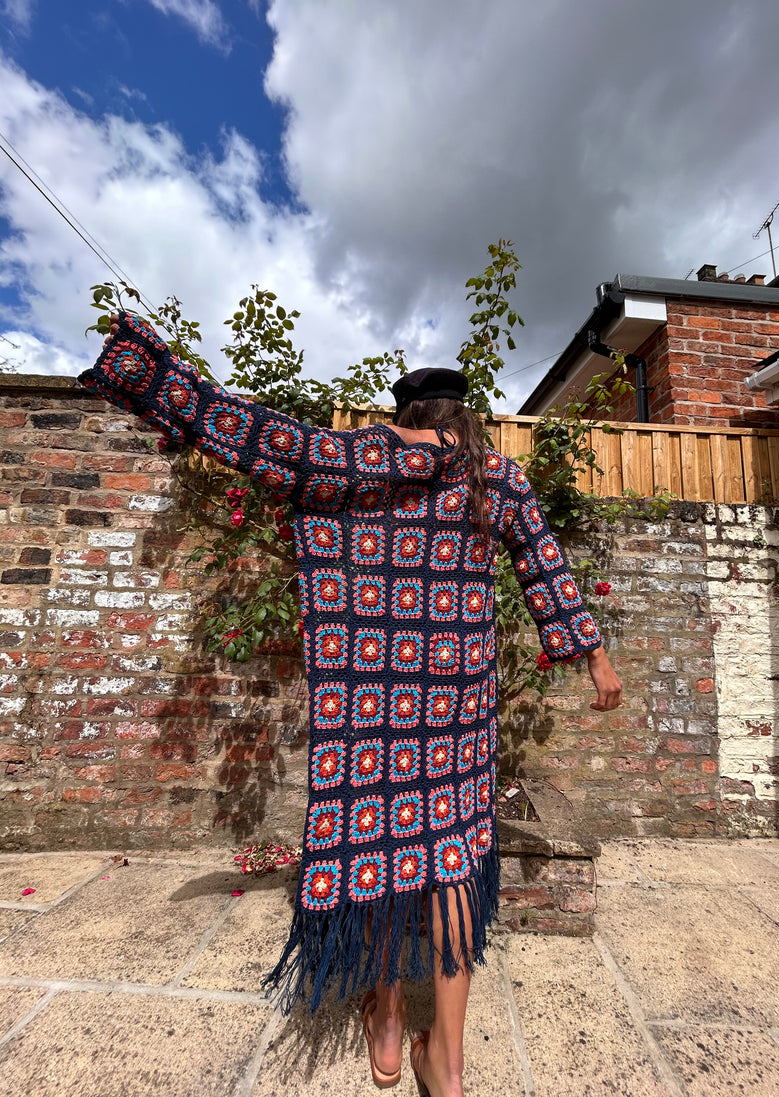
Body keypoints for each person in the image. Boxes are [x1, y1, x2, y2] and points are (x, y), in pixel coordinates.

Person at [78, 314, 622, 1097]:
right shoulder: (495, 475)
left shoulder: (355, 455)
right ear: (463, 416)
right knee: (454, 860)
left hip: (366, 691)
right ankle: (451, 1064)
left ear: (403, 416)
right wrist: (594, 658)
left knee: (375, 838)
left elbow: (249, 432)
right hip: (455, 702)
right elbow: (547, 571)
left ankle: (390, 1024)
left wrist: (148, 372)